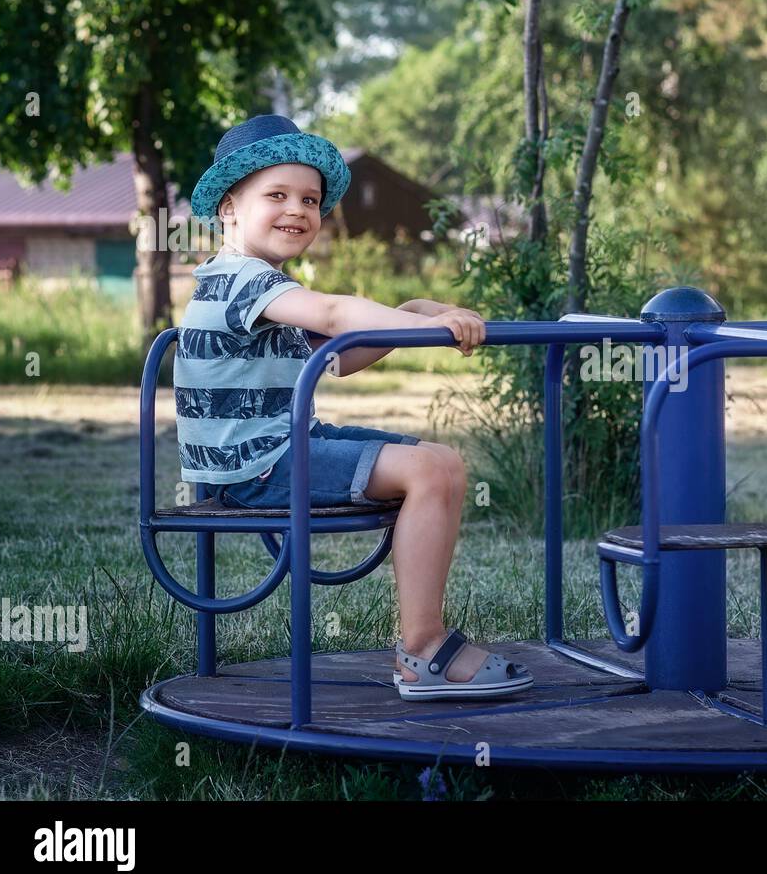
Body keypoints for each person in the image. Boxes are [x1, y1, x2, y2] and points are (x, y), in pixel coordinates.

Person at [177, 114, 533, 701]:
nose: (297, 209)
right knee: (433, 470)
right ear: (229, 209)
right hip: (257, 469)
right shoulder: (240, 280)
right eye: (277, 195)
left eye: (310, 199)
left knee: (435, 461)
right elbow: (337, 318)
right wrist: (431, 323)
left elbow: (340, 356)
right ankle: (423, 650)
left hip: (279, 450)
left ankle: (424, 642)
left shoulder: (261, 284)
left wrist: (415, 312)